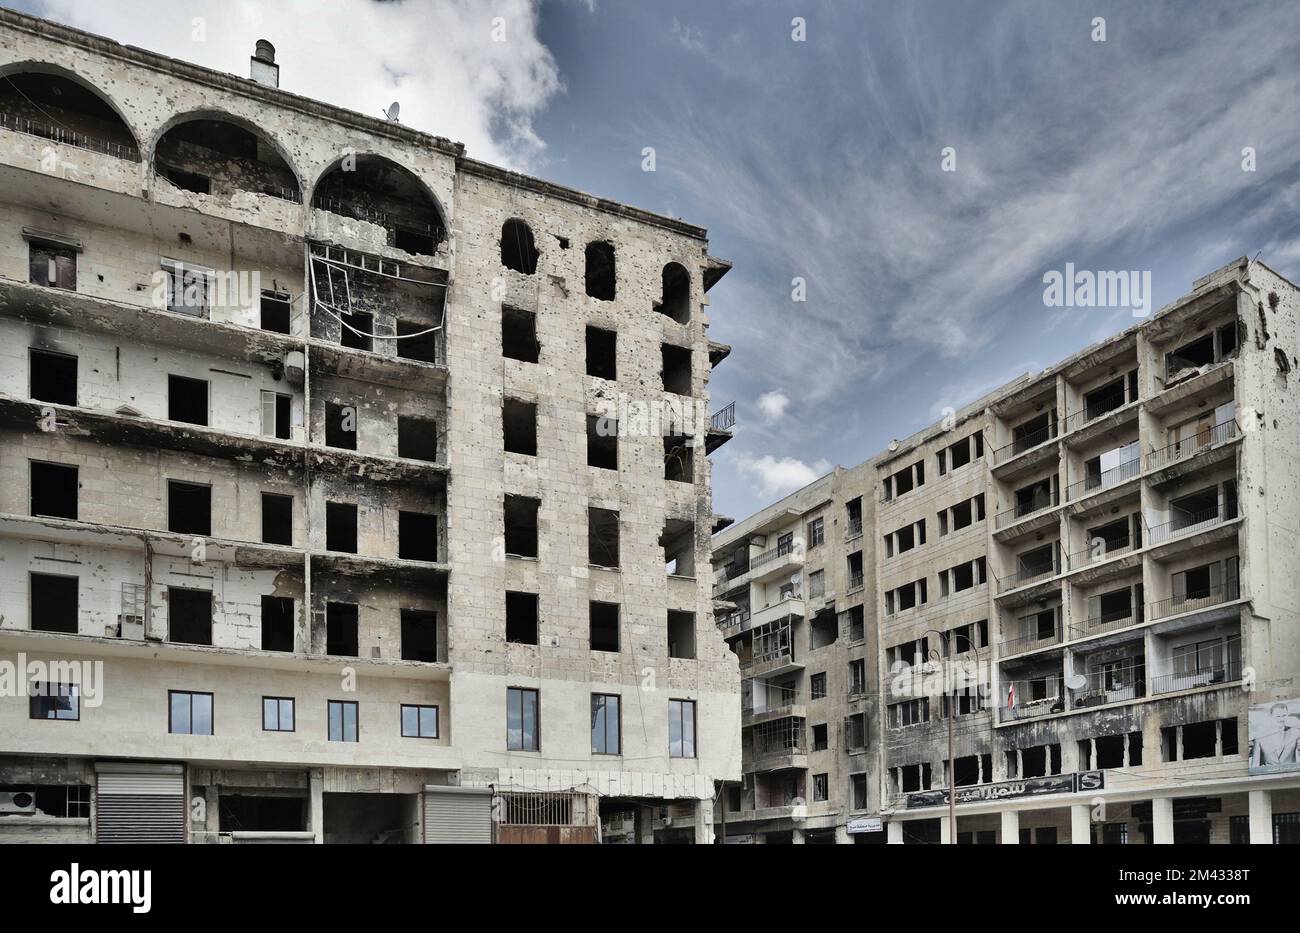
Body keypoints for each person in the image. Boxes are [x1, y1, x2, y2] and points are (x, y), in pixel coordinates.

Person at [1251, 702, 1300, 768]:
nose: (1281, 719)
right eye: (1278, 716)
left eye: (1284, 715)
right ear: (1271, 716)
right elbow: (1255, 766)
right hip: (1269, 776)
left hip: (1290, 775)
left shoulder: (1296, 732)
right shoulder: (1260, 736)